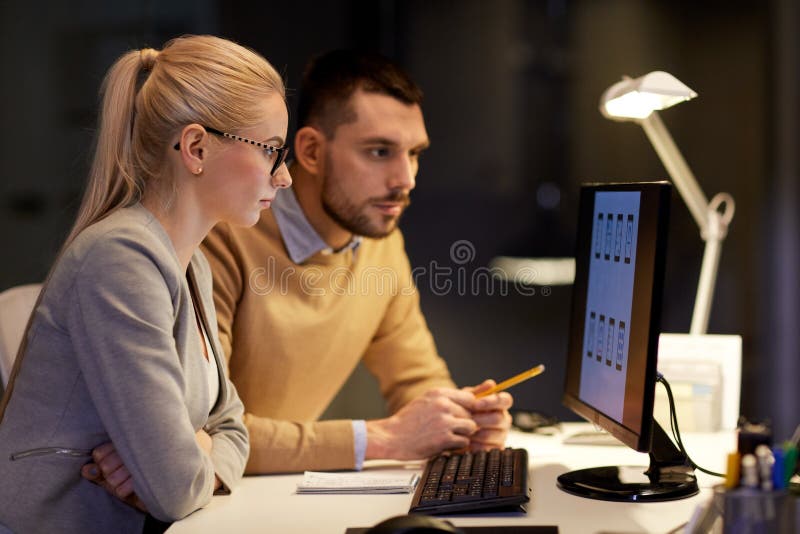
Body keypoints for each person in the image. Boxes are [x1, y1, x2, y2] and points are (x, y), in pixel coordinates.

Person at [0, 34, 291, 533]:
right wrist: (191, 456)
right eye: (271, 151)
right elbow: (174, 489)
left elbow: (233, 429)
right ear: (196, 147)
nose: (284, 177)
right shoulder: (120, 260)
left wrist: (198, 448)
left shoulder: (192, 265)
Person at [200, 50, 513, 475]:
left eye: (414, 153)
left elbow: (416, 380)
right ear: (311, 151)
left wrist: (458, 423)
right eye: (380, 151)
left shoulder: (380, 244)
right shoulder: (221, 240)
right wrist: (384, 439)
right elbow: (206, 437)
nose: (406, 180)